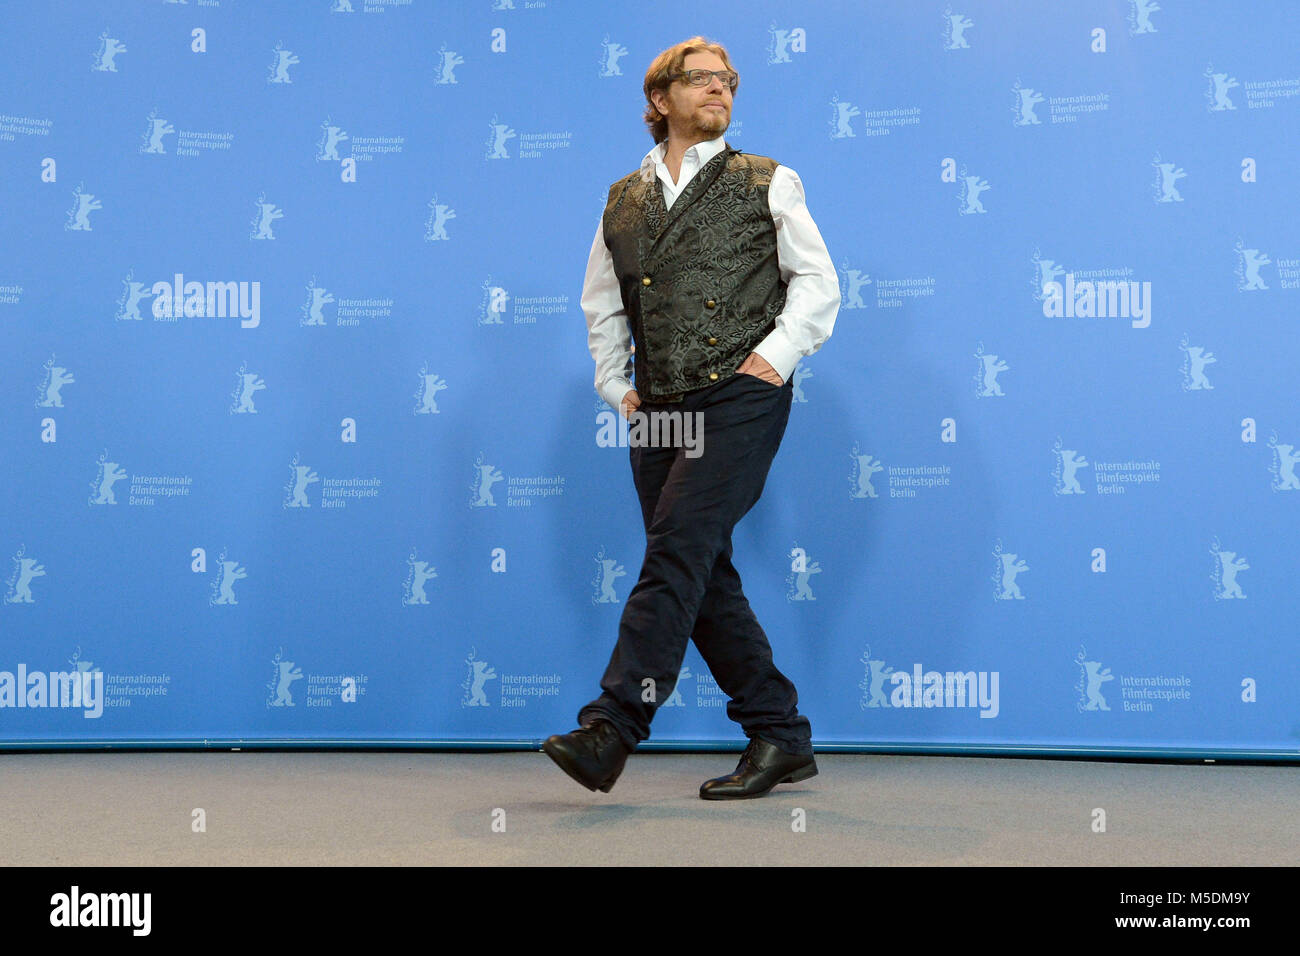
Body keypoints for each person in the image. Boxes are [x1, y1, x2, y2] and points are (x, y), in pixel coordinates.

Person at [543, 36, 840, 799]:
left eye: (729, 80)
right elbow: (603, 301)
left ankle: (611, 729)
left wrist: (771, 360)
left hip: (739, 396)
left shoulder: (767, 180)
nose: (721, 89)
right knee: (699, 571)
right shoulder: (621, 199)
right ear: (659, 99)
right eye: (702, 78)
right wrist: (619, 387)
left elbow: (816, 281)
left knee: (677, 548)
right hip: (661, 406)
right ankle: (779, 734)